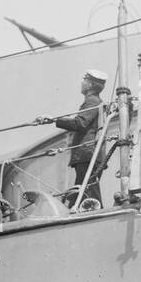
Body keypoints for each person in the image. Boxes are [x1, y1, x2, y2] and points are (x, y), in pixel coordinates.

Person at [37, 68, 108, 208]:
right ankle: (73, 210)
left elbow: (80, 123)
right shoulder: (93, 101)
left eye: (85, 80)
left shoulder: (92, 101)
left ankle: (93, 214)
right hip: (88, 153)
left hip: (87, 153)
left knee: (88, 190)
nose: (82, 83)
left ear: (90, 84)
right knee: (82, 190)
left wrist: (54, 120)